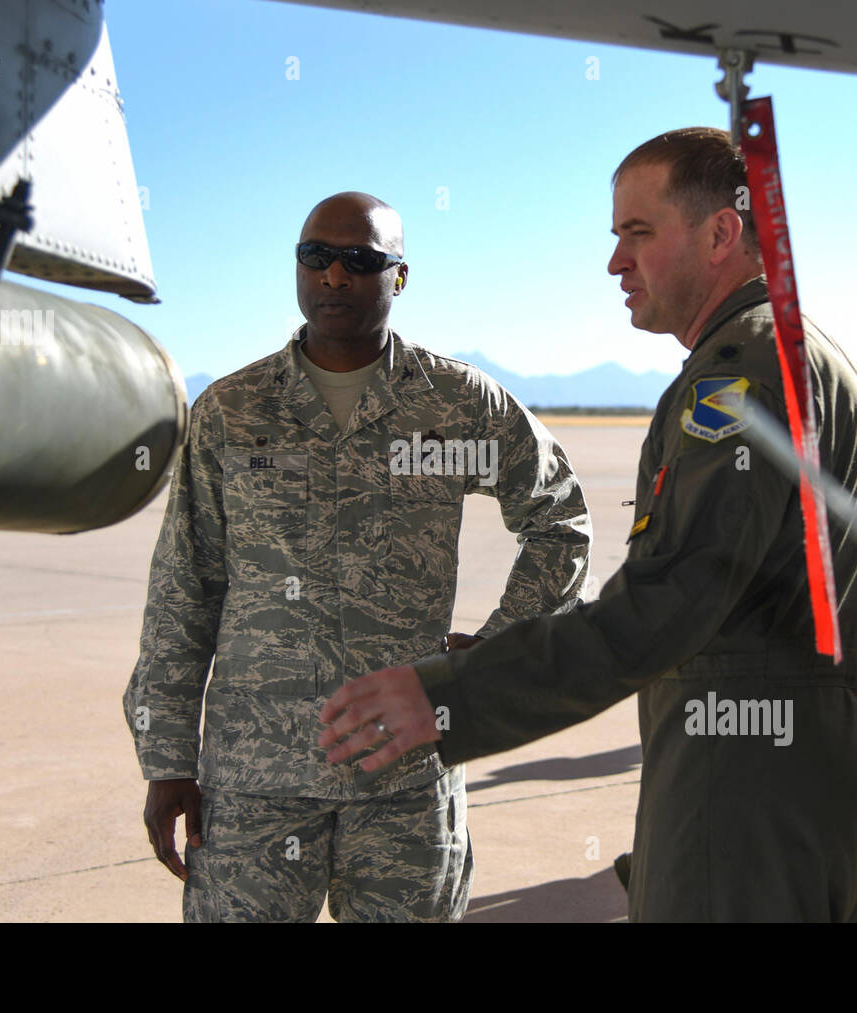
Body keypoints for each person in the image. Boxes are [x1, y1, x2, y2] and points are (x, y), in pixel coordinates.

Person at [320, 128, 857, 922]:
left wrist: (451, 696)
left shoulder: (740, 373)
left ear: (721, 232)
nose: (615, 262)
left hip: (745, 801)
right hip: (830, 782)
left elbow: (666, 604)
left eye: (639, 233)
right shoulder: (816, 359)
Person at [123, 192, 592, 922]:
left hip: (404, 775)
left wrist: (494, 655)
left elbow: (560, 519)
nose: (334, 277)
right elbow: (185, 587)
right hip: (255, 782)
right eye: (317, 257)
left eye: (361, 261)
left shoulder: (454, 404)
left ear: (398, 277)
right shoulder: (233, 409)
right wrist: (166, 756)